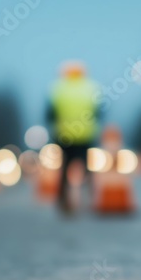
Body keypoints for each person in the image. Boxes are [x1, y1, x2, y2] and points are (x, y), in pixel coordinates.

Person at [46, 60, 100, 214]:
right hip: (86, 135)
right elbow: (99, 111)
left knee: (64, 170)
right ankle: (91, 200)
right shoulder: (91, 87)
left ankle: (63, 202)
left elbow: (50, 113)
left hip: (64, 136)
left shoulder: (58, 88)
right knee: (88, 168)